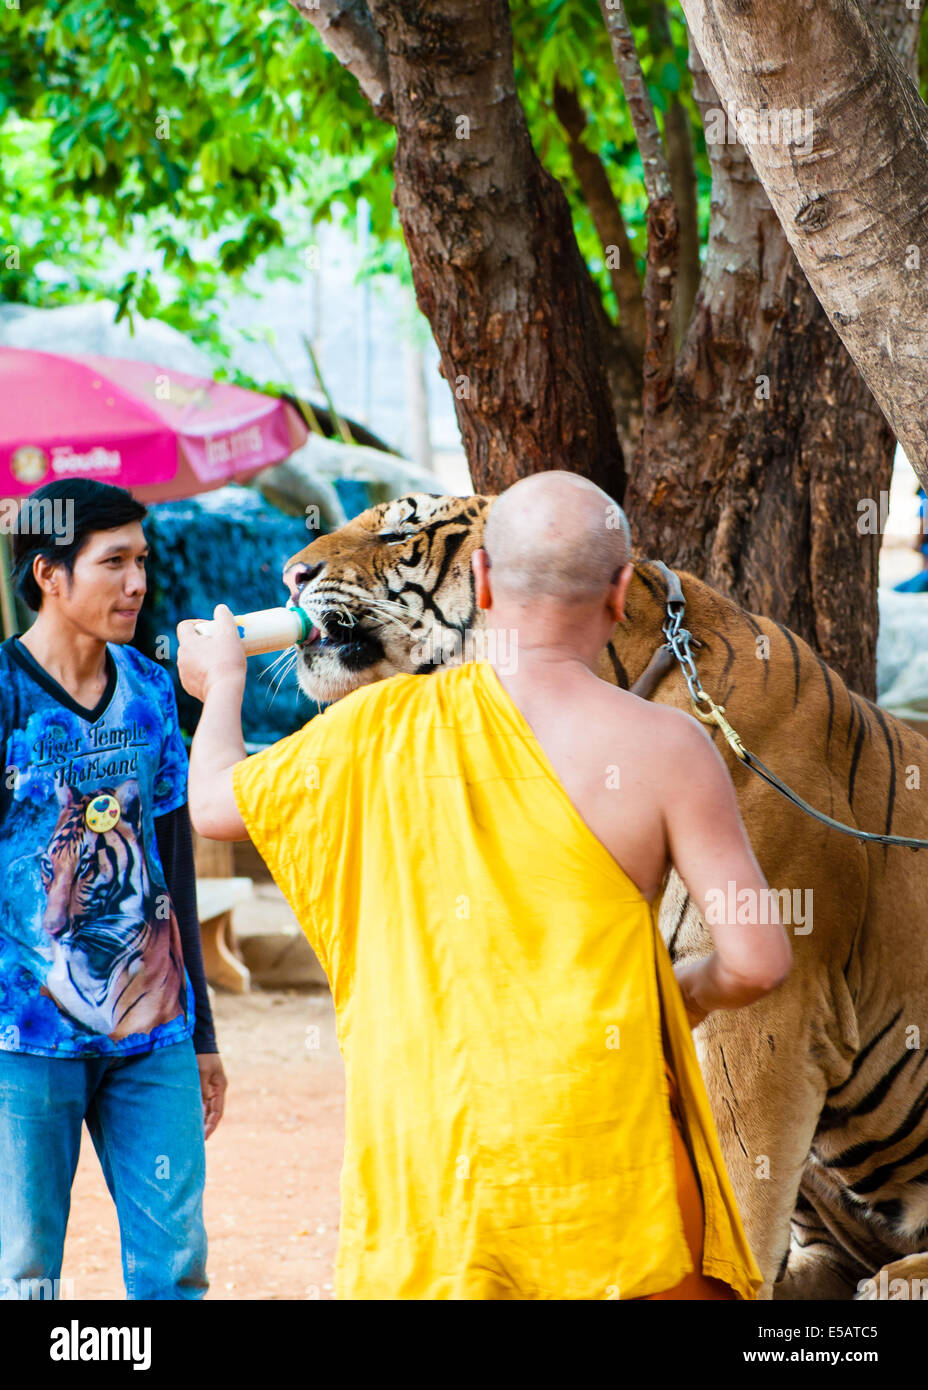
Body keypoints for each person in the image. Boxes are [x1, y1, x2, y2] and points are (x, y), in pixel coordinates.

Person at [177, 470, 791, 1301]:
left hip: (436, 1168)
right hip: (615, 1171)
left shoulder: (371, 728)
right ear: (619, 594)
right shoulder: (670, 745)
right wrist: (670, 994)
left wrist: (220, 691)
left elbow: (214, 802)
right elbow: (757, 959)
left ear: (486, 580)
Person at [0, 478, 225, 1301]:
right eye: (114, 562)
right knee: (25, 1273)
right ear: (48, 575)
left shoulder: (151, 689)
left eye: (143, 560)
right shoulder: (4, 692)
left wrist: (200, 1029)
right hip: (23, 1044)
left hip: (152, 1035)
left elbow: (172, 861)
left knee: (176, 1267)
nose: (138, 583)